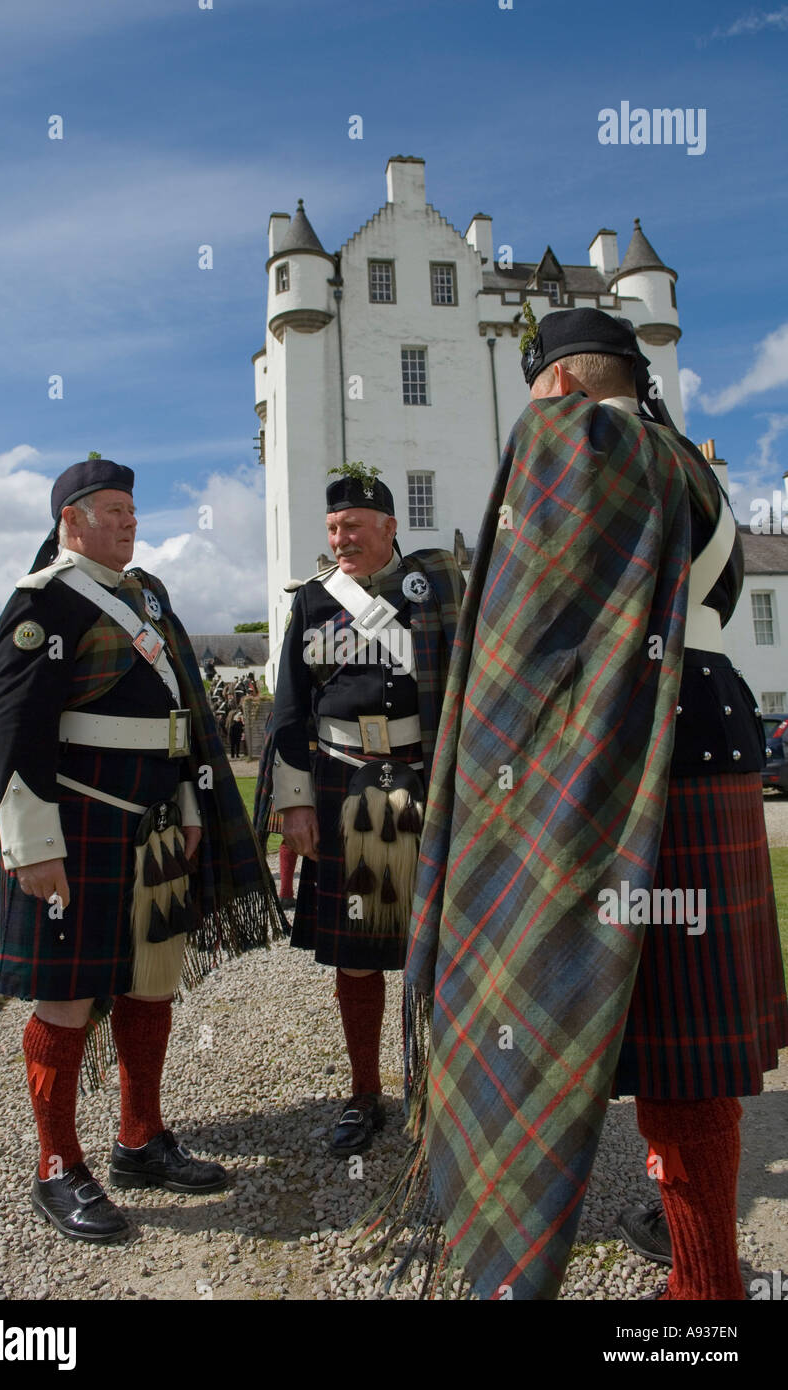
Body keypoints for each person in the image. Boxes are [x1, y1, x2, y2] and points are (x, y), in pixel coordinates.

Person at [394, 308, 788, 1300]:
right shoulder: (694, 467)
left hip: (631, 760)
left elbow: (531, 626)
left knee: (666, 1038)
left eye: (533, 400)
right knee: (682, 1043)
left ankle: (700, 1290)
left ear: (561, 387)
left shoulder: (588, 443)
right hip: (703, 744)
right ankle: (705, 1279)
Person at [0, 456, 281, 1243]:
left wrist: (187, 801)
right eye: (112, 509)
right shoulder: (41, 604)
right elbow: (14, 734)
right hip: (75, 827)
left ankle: (140, 1139)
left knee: (151, 985)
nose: (129, 521)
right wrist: (33, 844)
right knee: (68, 995)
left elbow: (179, 716)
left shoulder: (148, 597)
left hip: (153, 823)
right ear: (70, 520)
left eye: (131, 509)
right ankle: (57, 1166)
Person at [265, 464, 464, 1155]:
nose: (339, 538)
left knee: (429, 949)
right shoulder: (315, 601)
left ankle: (432, 1087)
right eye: (331, 528)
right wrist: (293, 805)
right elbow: (289, 708)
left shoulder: (435, 591)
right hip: (340, 780)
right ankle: (361, 1093)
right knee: (356, 956)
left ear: (388, 527)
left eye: (352, 526)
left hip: (422, 780)